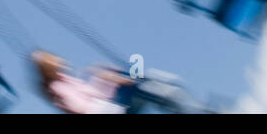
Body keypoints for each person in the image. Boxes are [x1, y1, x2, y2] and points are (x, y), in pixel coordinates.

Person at [31, 51, 206, 114]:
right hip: (109, 111)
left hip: (113, 107)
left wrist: (106, 77)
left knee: (156, 86)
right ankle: (196, 109)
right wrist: (104, 78)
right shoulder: (59, 87)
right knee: (157, 88)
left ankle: (192, 108)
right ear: (51, 66)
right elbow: (83, 107)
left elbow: (95, 96)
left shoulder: (67, 81)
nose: (62, 63)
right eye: (57, 61)